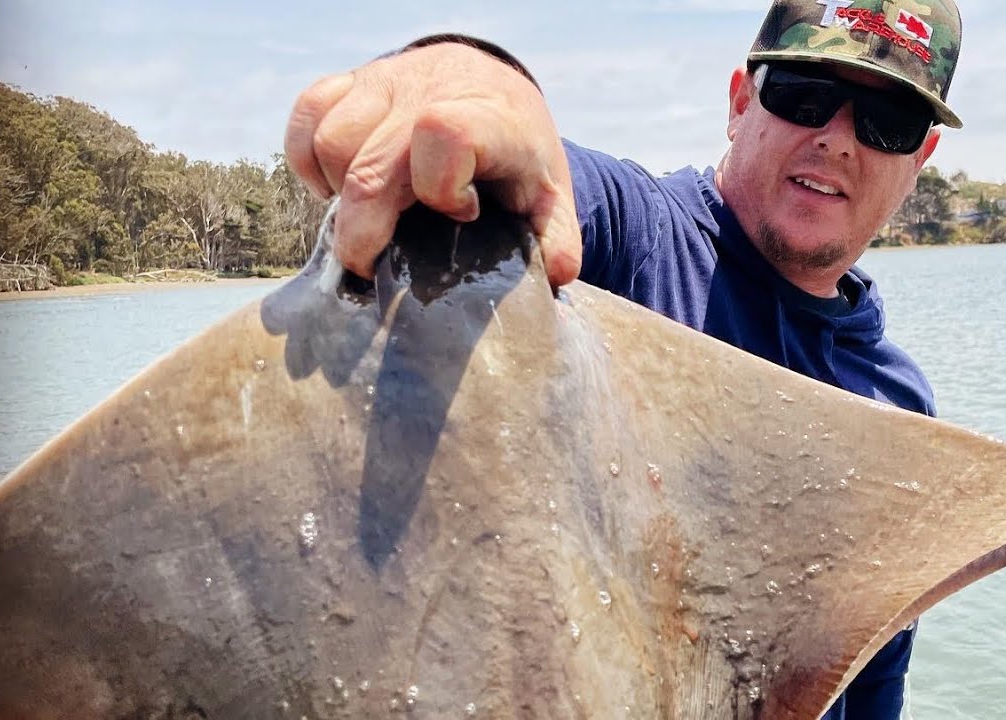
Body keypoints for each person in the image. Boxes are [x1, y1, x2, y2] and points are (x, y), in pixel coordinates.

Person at [283, 0, 964, 716]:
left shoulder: (898, 406)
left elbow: (871, 674)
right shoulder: (632, 239)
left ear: (919, 160)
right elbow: (519, 165)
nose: (838, 141)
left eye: (889, 122)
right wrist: (465, 79)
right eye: (806, 97)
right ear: (740, 104)